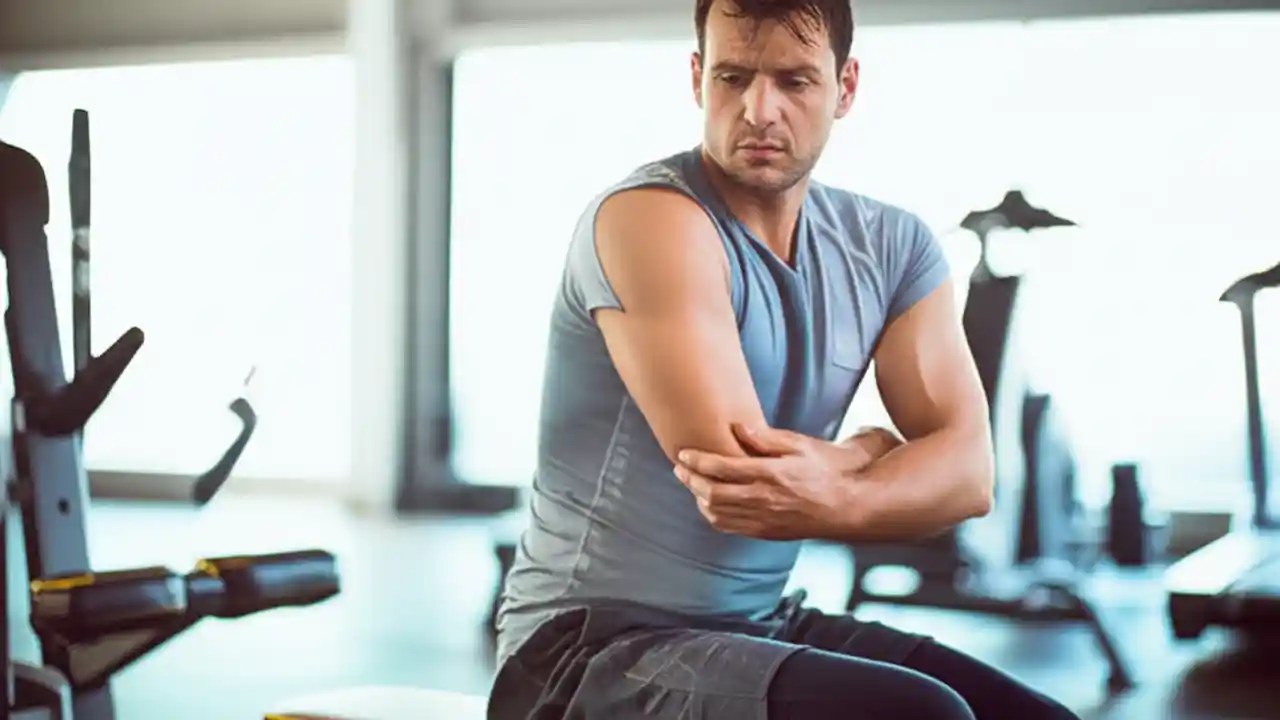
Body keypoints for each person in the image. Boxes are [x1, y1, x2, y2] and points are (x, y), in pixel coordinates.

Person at [489, 1, 1080, 718]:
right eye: (734, 77)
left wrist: (842, 488)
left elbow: (969, 478)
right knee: (924, 716)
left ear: (846, 87)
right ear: (698, 77)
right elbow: (740, 487)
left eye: (795, 82)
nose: (759, 109)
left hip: (758, 624)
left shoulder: (894, 247)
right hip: (583, 655)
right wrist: (878, 454)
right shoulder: (652, 219)